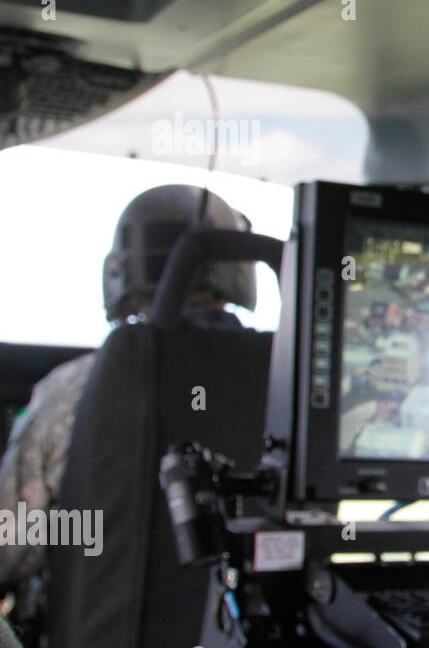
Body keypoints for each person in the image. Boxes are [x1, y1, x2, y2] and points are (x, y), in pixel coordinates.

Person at [0, 184, 256, 599]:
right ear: (239, 272)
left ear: (121, 272)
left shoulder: (73, 389)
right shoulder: (287, 389)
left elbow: (10, 550)